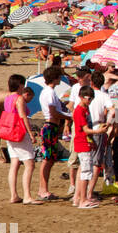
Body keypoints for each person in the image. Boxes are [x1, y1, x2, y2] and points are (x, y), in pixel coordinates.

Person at [0, 75, 40, 204]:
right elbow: (23, 117)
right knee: (29, 164)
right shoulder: (19, 99)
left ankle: (14, 195)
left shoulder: (7, 98)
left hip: (9, 132)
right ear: (20, 85)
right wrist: (31, 134)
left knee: (14, 163)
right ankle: (27, 196)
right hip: (19, 132)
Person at [35, 66, 68, 200]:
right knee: (48, 159)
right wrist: (68, 117)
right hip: (50, 126)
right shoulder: (49, 92)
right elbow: (53, 112)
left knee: (50, 159)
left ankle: (44, 189)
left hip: (51, 126)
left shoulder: (48, 92)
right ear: (55, 78)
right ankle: (43, 190)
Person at [70, 85, 103, 209]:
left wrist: (92, 140)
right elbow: (85, 129)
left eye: (91, 98)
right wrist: (98, 132)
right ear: (81, 97)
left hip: (86, 142)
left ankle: (78, 198)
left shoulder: (85, 109)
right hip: (82, 143)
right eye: (88, 98)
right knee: (86, 172)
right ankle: (83, 199)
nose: (90, 101)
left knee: (83, 171)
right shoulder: (80, 110)